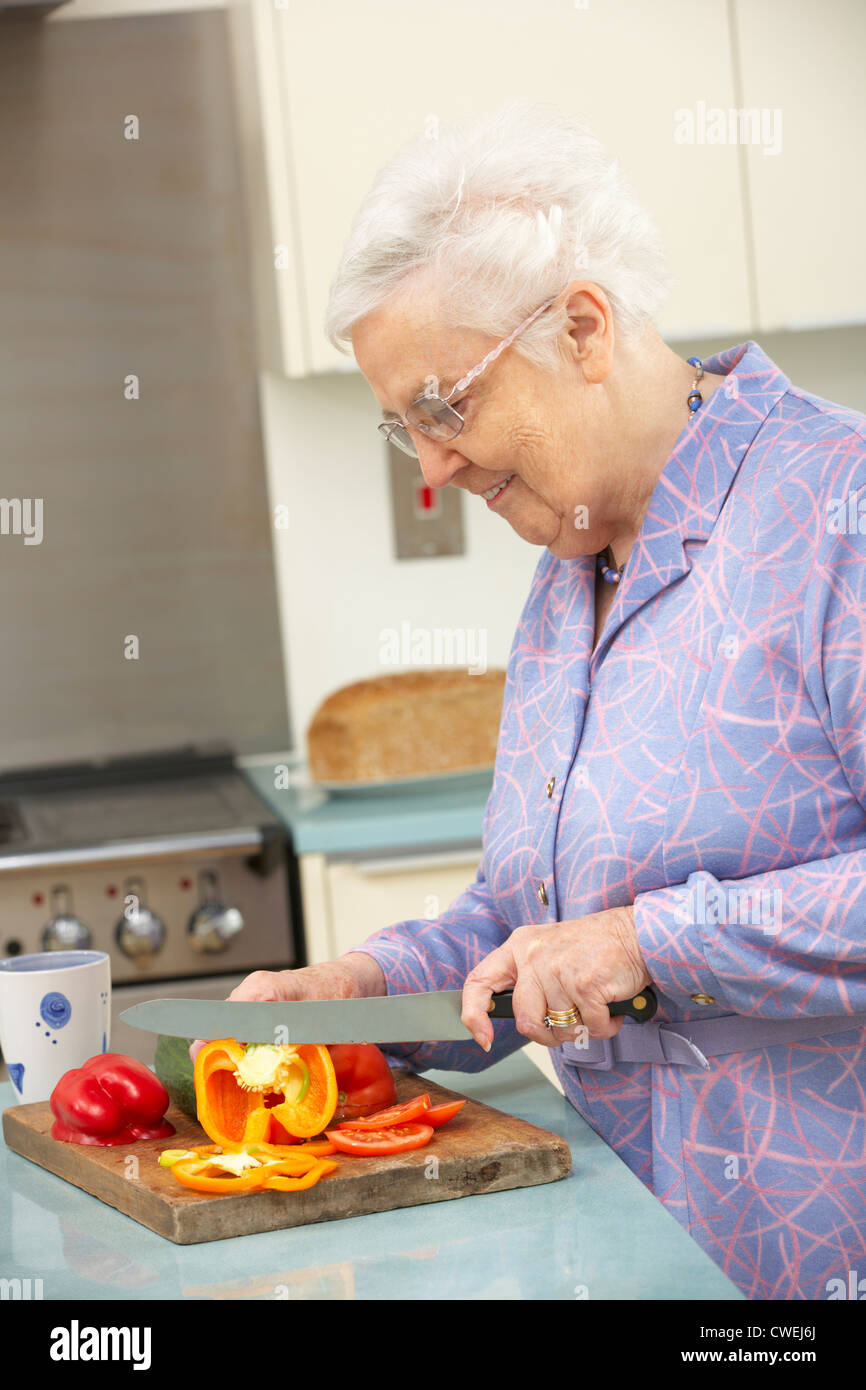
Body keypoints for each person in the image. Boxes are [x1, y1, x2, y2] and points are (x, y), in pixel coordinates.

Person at [212, 103, 866, 1300]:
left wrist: (644, 942)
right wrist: (370, 986)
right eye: (403, 425)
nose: (432, 467)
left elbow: (613, 937)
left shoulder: (838, 510)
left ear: (580, 328)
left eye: (444, 406)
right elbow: (533, 921)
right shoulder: (570, 569)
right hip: (637, 1254)